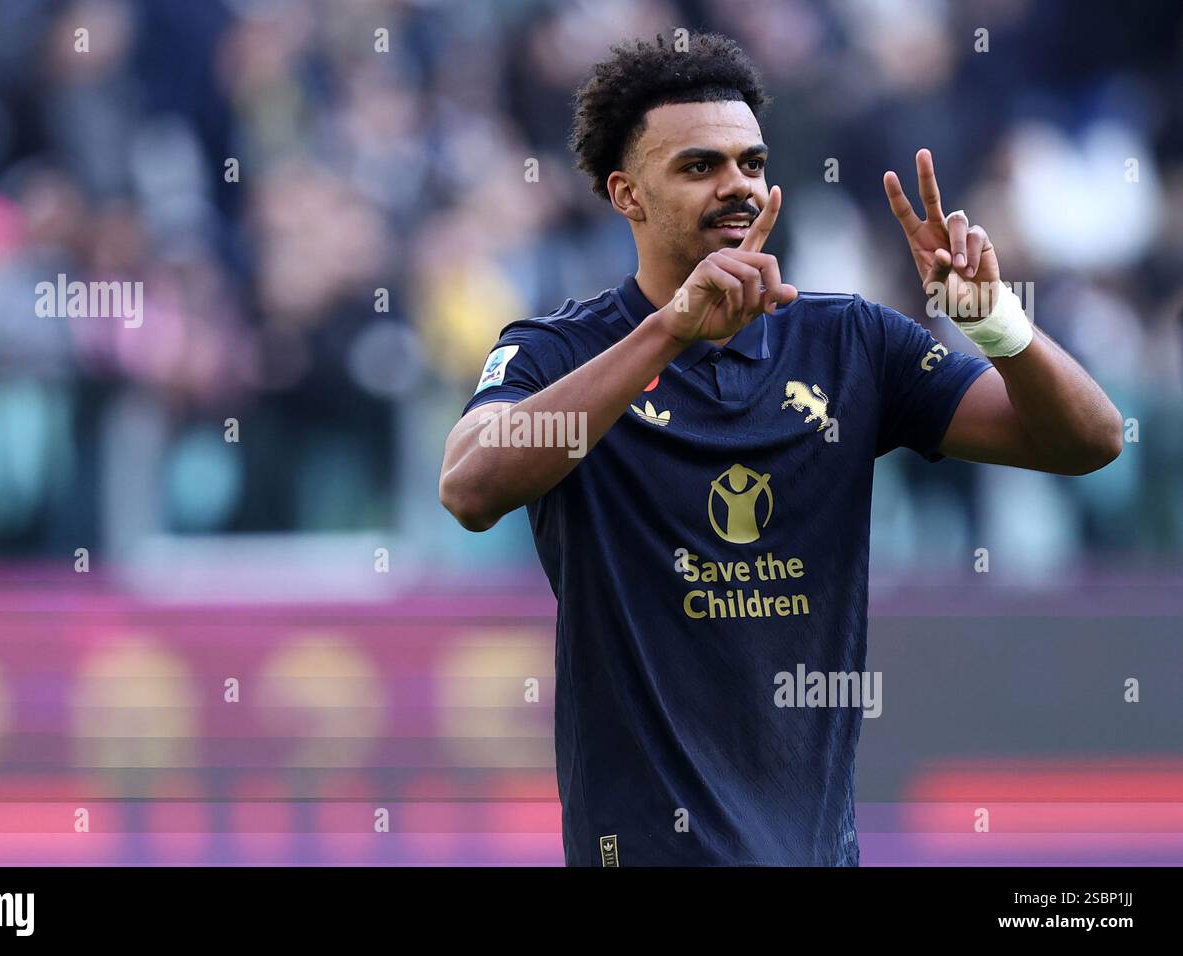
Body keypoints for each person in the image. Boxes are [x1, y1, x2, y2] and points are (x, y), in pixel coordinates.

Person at [438, 32, 1122, 866]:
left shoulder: (852, 342)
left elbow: (1091, 441)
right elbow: (469, 486)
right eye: (700, 167)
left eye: (751, 163)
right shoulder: (559, 350)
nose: (737, 187)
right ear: (627, 195)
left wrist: (994, 321)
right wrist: (667, 333)